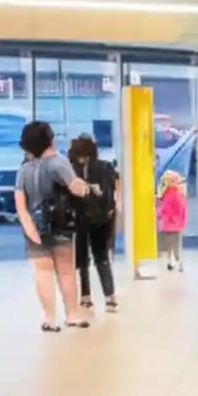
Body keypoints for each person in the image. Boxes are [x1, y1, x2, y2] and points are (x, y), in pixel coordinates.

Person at [13, 121, 93, 332]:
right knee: (66, 271)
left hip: (35, 227)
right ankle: (72, 315)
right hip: (60, 224)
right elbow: (76, 188)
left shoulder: (24, 169)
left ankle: (49, 318)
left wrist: (31, 229)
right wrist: (87, 189)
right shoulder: (59, 163)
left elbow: (20, 205)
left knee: (42, 271)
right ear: (49, 139)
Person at [67, 134, 119, 313]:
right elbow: (109, 195)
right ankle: (108, 296)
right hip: (98, 218)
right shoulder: (103, 167)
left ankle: (87, 296)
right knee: (100, 257)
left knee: (85, 259)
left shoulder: (72, 169)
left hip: (83, 218)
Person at [156, 170, 187, 271]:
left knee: (170, 245)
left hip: (168, 224)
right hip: (176, 224)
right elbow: (182, 210)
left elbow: (164, 210)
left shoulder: (166, 195)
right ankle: (178, 262)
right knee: (177, 244)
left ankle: (171, 261)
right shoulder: (178, 195)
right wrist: (181, 221)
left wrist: (159, 215)